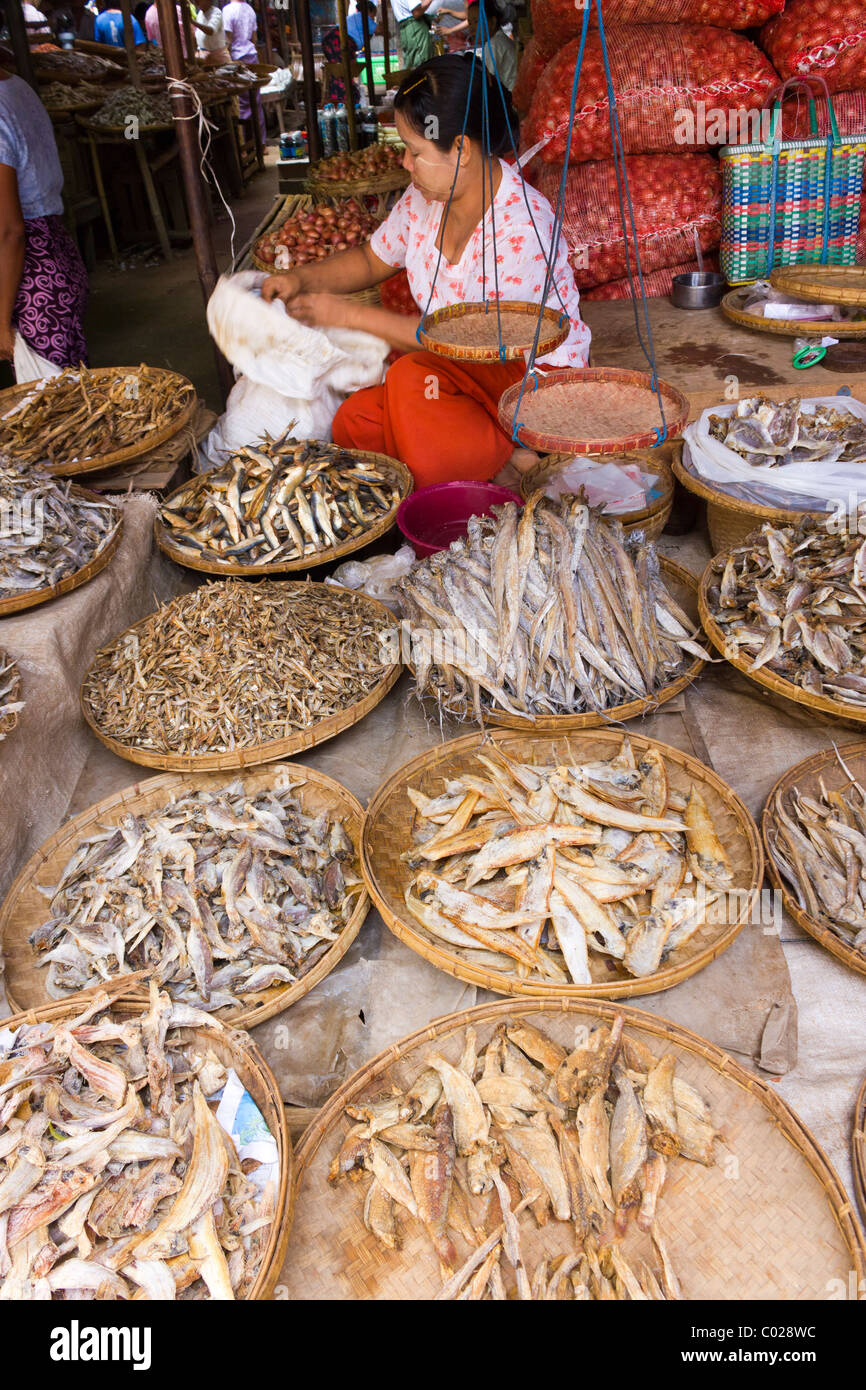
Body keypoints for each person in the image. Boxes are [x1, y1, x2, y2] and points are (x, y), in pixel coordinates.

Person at [261, 56, 589, 488]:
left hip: (525, 382)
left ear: (462, 149)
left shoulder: (521, 229)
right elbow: (371, 259)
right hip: (458, 373)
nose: (405, 164)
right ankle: (490, 457)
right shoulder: (426, 200)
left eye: (415, 151)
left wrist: (347, 315)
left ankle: (501, 460)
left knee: (410, 378)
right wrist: (302, 279)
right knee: (355, 422)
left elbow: (472, 343)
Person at [0, 67, 88, 378]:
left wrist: (0, 325)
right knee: (71, 388)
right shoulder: (16, 86)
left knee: (54, 405)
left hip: (34, 278)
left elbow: (10, 231)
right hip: (55, 254)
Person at [222, 0, 264, 139]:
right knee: (255, 102)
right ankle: (261, 143)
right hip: (252, 56)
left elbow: (227, 40)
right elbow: (254, 38)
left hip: (238, 58)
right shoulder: (249, 9)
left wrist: (227, 60)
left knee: (241, 105)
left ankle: (245, 144)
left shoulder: (228, 10)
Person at [466, 0, 516, 91]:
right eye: (469, 23)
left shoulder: (494, 44)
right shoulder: (497, 40)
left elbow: (485, 81)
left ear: (492, 22)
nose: (472, 28)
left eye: (476, 22)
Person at [390, 0, 435, 71]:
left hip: (408, 27)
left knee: (412, 64)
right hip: (414, 27)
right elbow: (416, 12)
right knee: (422, 65)